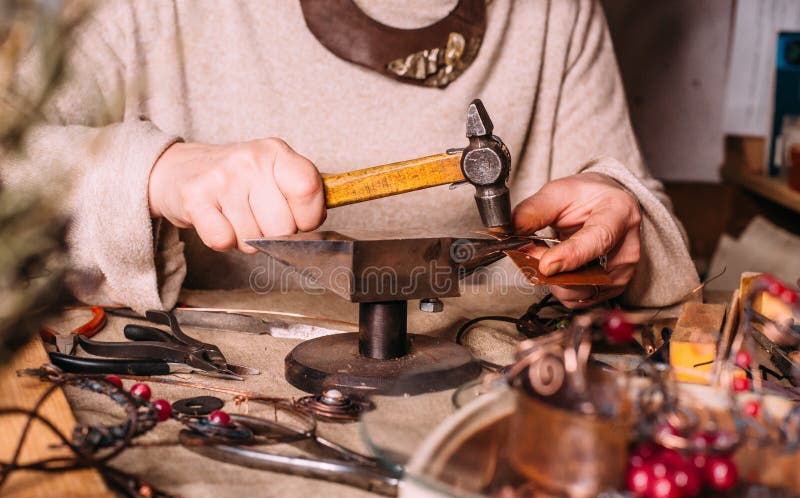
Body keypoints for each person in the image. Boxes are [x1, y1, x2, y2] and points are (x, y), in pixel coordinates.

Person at [2, 0, 699, 313]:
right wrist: (153, 171)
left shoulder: (557, 12)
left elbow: (643, 231)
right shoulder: (152, 10)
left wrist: (621, 219)